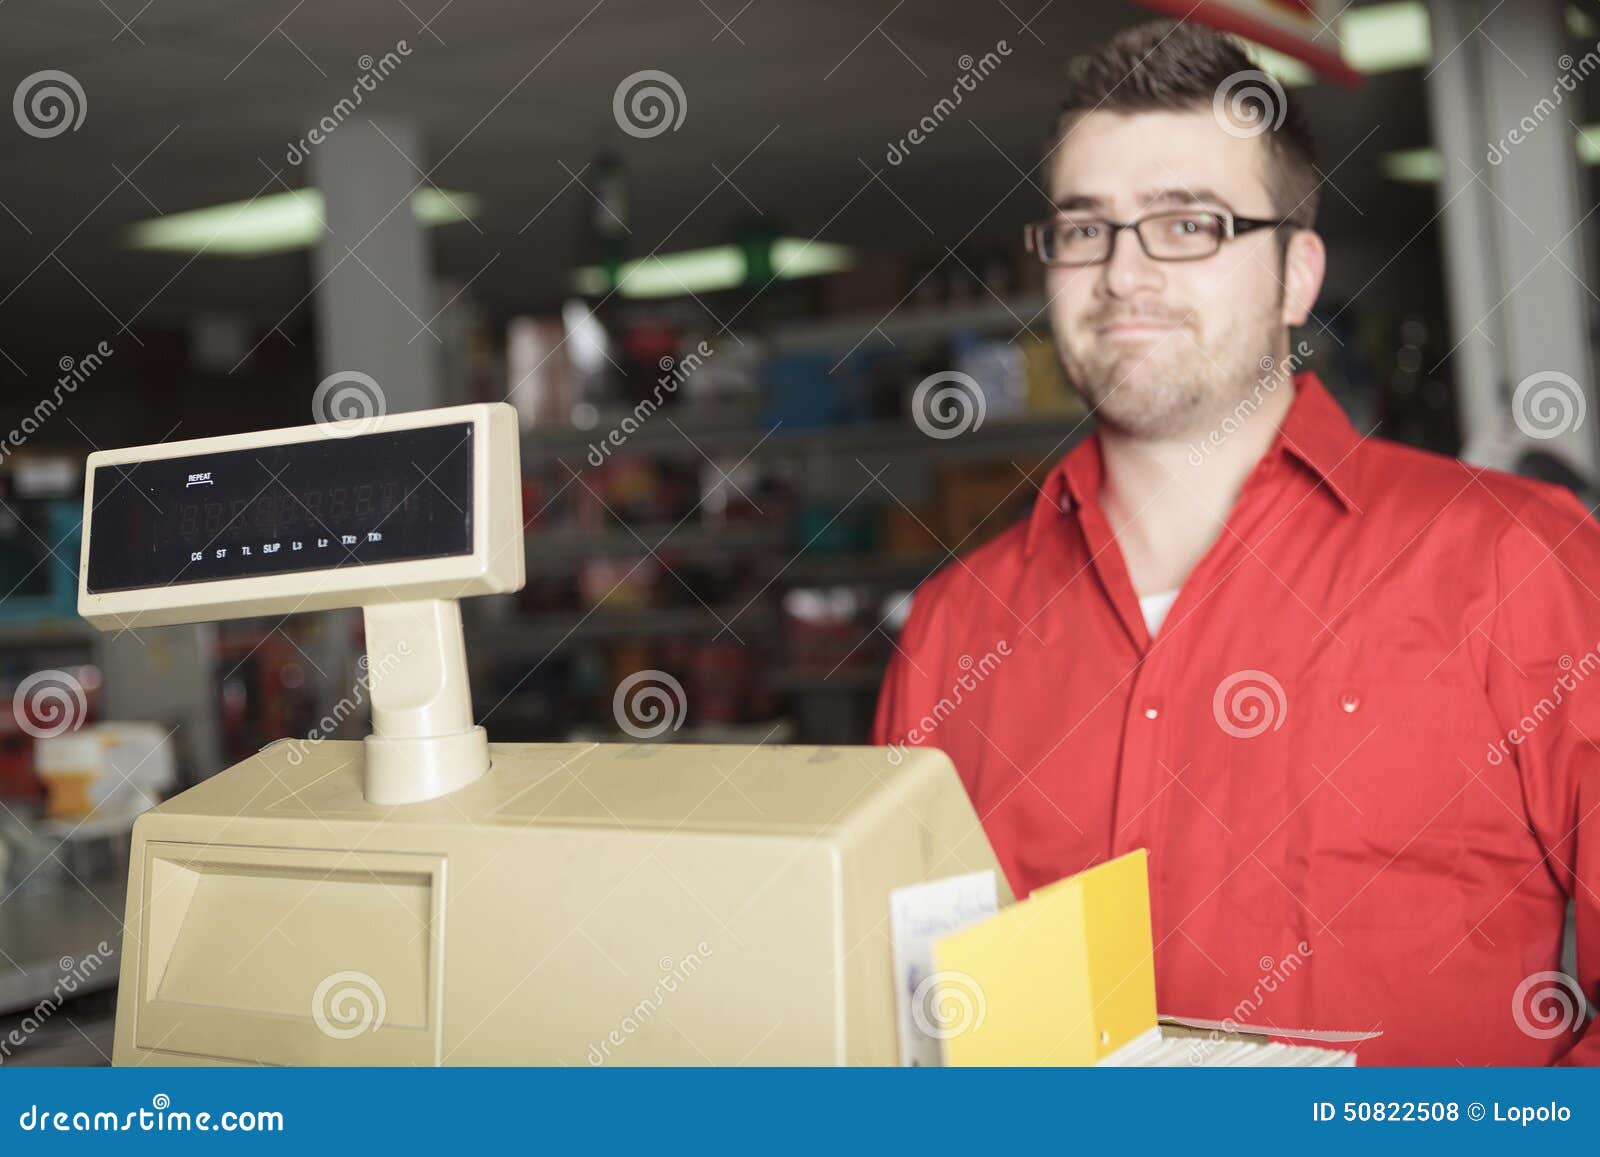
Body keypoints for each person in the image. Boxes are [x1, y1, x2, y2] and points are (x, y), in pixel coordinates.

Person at [873, 19, 1598, 1065]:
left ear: (1296, 277)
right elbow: (916, 1028)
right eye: (1084, 229)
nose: (1123, 274)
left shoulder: (1514, 562)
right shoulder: (953, 631)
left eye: (1188, 225)